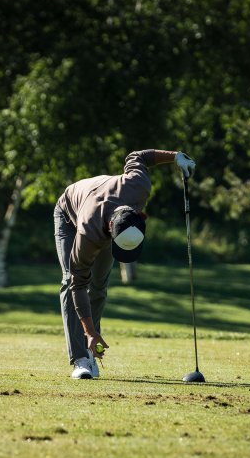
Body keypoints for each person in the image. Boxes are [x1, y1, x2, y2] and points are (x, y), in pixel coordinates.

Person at [54, 149, 196, 379]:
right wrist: (88, 332)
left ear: (142, 217)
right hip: (70, 212)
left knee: (99, 285)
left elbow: (138, 156)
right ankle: (80, 359)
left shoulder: (138, 186)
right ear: (111, 230)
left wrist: (175, 156)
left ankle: (92, 350)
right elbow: (78, 284)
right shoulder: (88, 233)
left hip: (106, 207)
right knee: (70, 280)